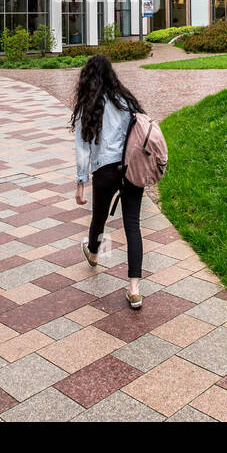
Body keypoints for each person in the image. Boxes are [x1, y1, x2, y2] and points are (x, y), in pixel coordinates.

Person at [71, 53, 146, 309]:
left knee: (99, 217)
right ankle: (134, 289)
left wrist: (81, 182)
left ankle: (93, 253)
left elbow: (83, 148)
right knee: (132, 226)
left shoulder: (87, 105)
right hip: (131, 169)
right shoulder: (126, 100)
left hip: (105, 170)